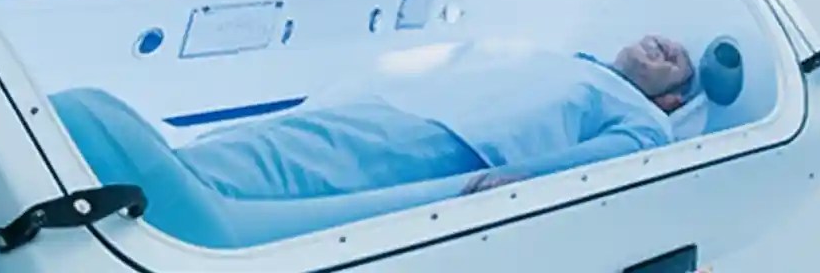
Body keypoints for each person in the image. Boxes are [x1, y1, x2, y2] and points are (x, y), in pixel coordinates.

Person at [50, 34, 695, 248]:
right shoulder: (568, 56)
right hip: (401, 109)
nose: (666, 45)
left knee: (282, 165)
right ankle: (105, 172)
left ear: (669, 97)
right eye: (661, 38)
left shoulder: (647, 118)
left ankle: (132, 190)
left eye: (676, 61)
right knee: (277, 141)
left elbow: (609, 160)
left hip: (449, 144)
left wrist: (522, 185)